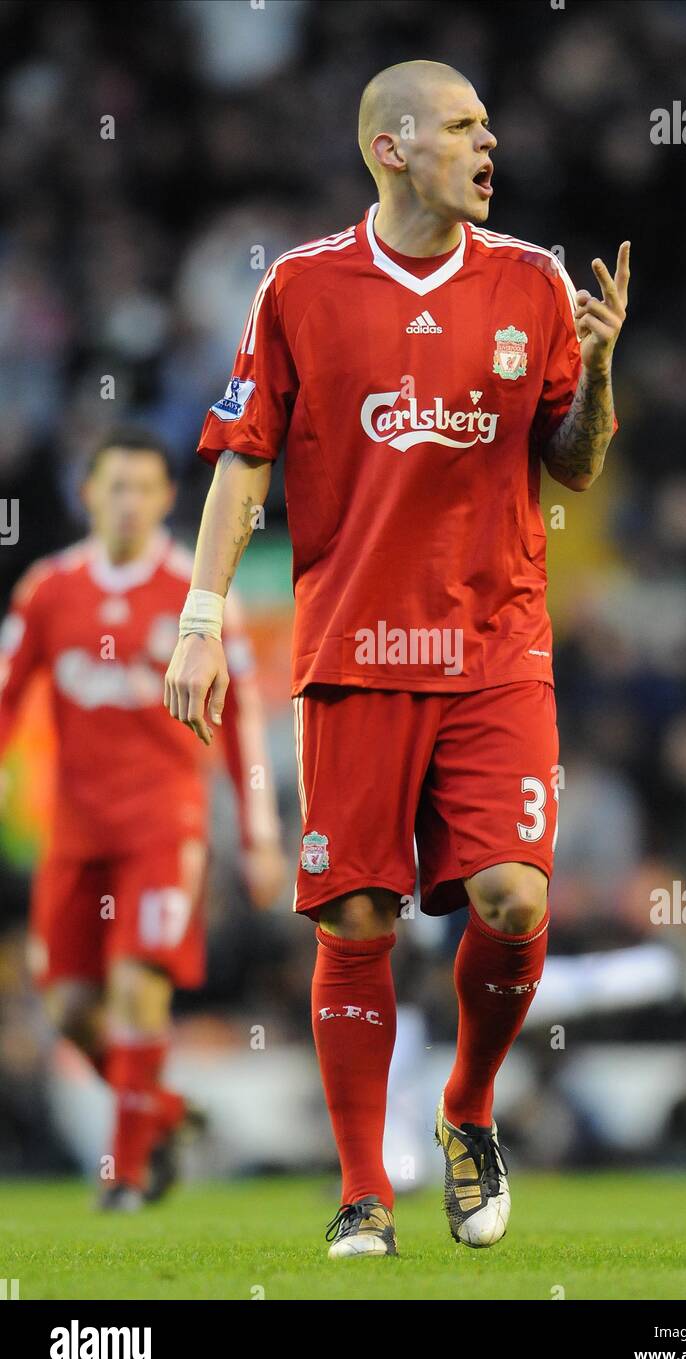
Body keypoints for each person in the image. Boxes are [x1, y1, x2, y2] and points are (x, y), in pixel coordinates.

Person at [165, 59, 628, 1256]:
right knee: (358, 918)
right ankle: (365, 1188)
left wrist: (599, 370)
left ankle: (466, 1105)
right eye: (464, 127)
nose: (489, 145)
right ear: (392, 147)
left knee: (514, 895)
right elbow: (244, 459)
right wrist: (202, 618)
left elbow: (575, 464)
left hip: (494, 644)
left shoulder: (531, 281)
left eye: (489, 125)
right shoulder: (300, 286)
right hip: (356, 651)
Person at [0, 426, 285, 1209]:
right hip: (74, 832)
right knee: (68, 1009)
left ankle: (126, 1174)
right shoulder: (48, 590)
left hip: (164, 828)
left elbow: (242, 719)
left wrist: (259, 837)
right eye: (114, 486)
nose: (128, 501)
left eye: (144, 488)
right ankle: (159, 1110)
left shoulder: (197, 598)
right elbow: (6, 696)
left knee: (137, 985)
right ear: (87, 495)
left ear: (167, 499)